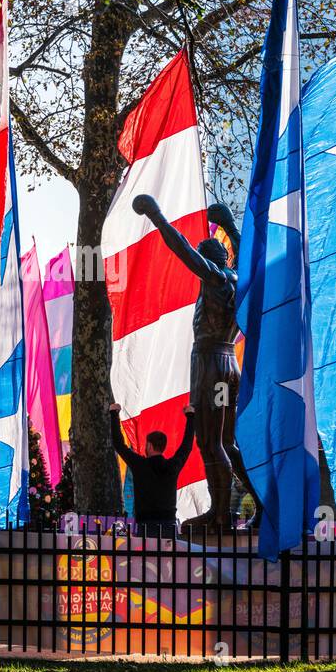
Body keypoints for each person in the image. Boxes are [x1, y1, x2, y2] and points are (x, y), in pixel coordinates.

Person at [131, 195, 257, 529]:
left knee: (210, 441)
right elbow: (247, 254)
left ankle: (220, 515)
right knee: (227, 442)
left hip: (211, 364)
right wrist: (229, 223)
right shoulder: (237, 277)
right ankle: (257, 505)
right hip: (230, 365)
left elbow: (181, 248)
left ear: (209, 259)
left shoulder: (214, 278)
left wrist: (156, 216)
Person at [109, 402, 195, 536]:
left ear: (149, 445)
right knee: (169, 557)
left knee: (146, 557)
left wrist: (114, 414)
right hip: (168, 525)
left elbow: (119, 445)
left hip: (146, 526)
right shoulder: (172, 466)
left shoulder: (140, 465)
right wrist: (191, 417)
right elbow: (186, 447)